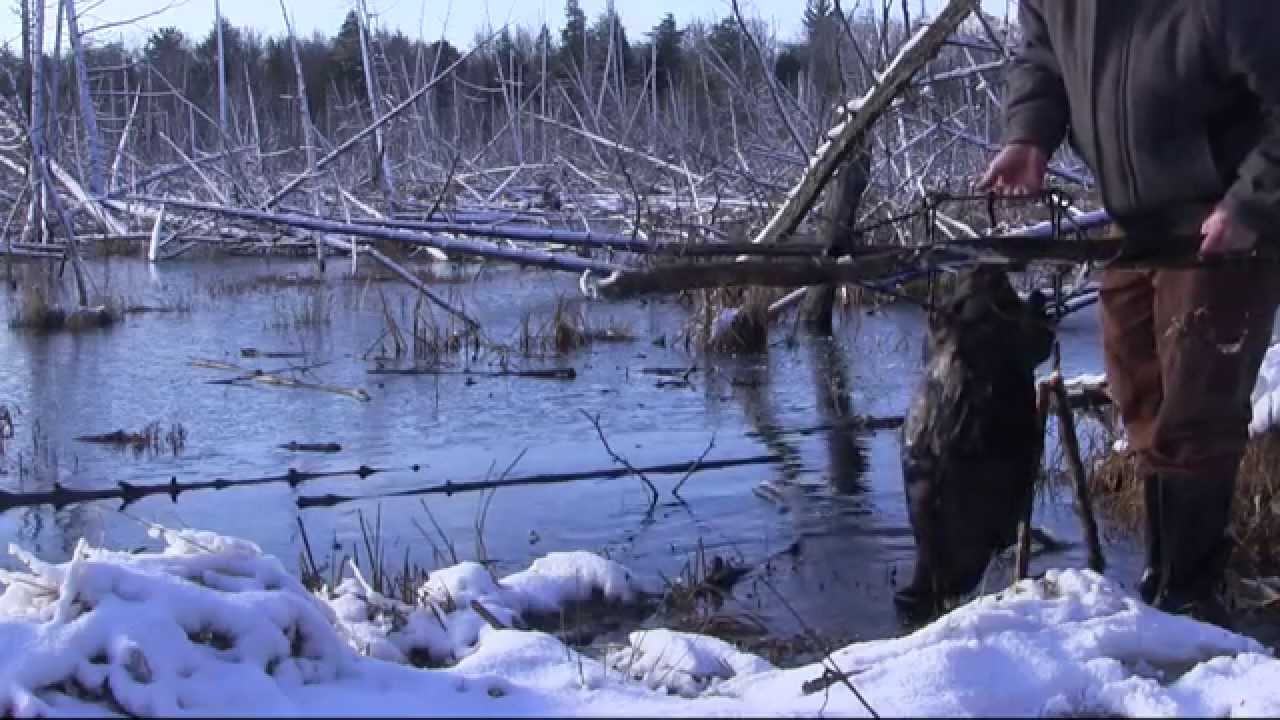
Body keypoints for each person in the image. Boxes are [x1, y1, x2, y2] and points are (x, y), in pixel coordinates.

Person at [978, 2, 1280, 626]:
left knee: (1196, 414)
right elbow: (1041, 57)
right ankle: (1163, 587)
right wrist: (1028, 136)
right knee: (1139, 400)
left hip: (1223, 217)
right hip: (1134, 221)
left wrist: (1251, 204)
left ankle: (1189, 601)